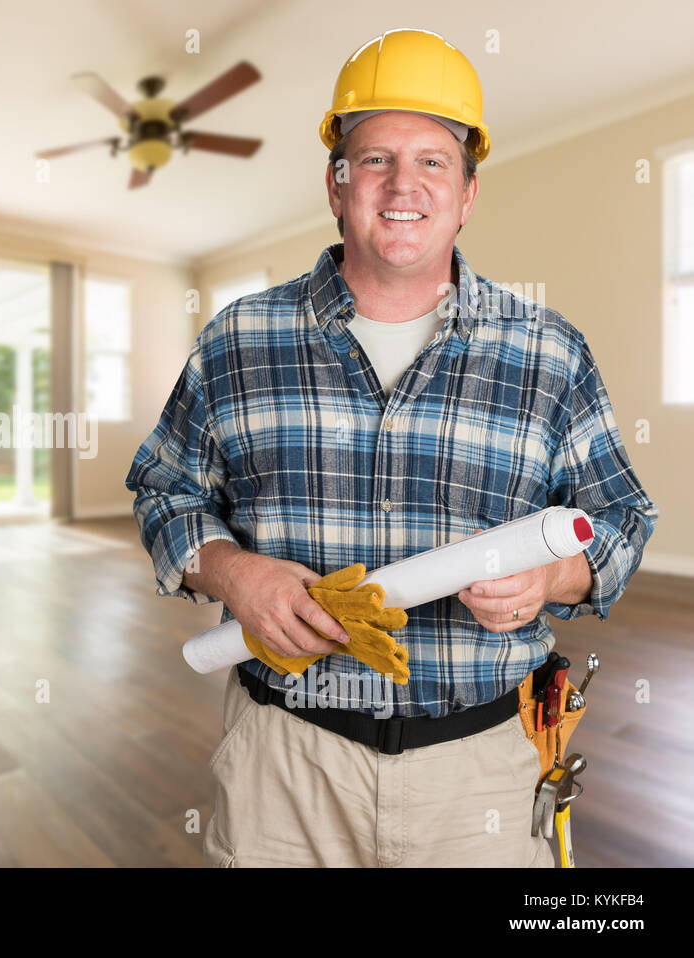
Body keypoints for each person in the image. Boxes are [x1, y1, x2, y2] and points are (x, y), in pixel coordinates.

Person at [124, 28, 658, 867]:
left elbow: (622, 518)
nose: (403, 183)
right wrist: (234, 574)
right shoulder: (239, 340)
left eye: (432, 161)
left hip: (479, 773)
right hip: (282, 765)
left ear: (467, 194)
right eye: (374, 159)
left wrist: (553, 577)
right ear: (336, 185)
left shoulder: (549, 352)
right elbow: (165, 490)